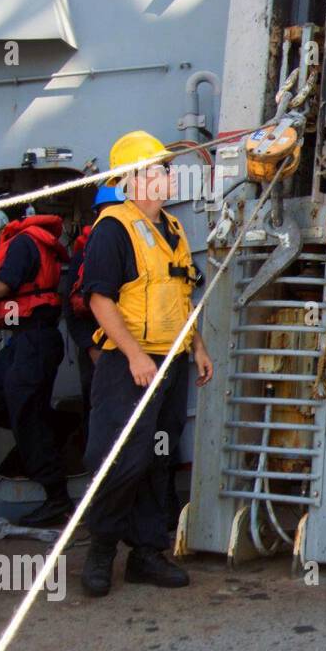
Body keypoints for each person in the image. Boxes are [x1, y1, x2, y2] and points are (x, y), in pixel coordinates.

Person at [78, 131, 214, 597]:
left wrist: (196, 347)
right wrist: (135, 355)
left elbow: (181, 295)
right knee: (122, 458)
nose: (170, 176)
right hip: (128, 366)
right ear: (134, 180)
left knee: (159, 456)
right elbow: (99, 299)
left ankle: (146, 553)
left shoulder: (172, 229)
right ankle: (101, 549)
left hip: (170, 363)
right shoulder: (113, 229)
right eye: (160, 169)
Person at [0, 196, 72, 525]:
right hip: (22, 339)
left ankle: (57, 497)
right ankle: (59, 426)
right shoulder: (24, 241)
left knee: (26, 415)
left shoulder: (23, 242)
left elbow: (2, 288)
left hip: (35, 339)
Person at [64, 183, 124, 421]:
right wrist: (90, 347)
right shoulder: (85, 255)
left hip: (139, 345)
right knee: (99, 413)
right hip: (98, 348)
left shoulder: (139, 249)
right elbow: (72, 307)